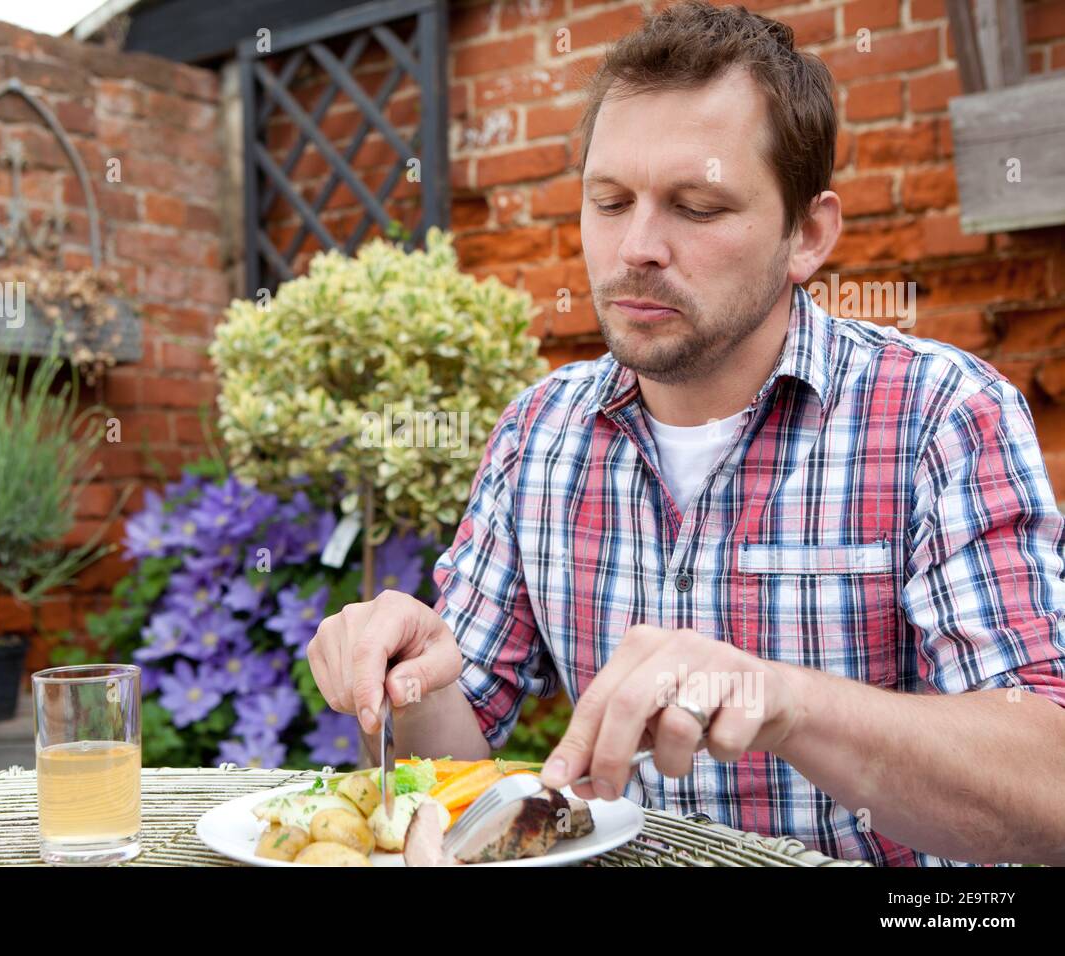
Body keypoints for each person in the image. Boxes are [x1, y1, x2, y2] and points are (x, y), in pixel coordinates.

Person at [306, 0, 1065, 866]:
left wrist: (782, 700)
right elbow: (458, 759)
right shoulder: (539, 435)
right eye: (609, 200)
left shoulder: (939, 415)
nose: (636, 247)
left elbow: (1048, 788)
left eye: (697, 206)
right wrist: (412, 675)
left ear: (807, 234)